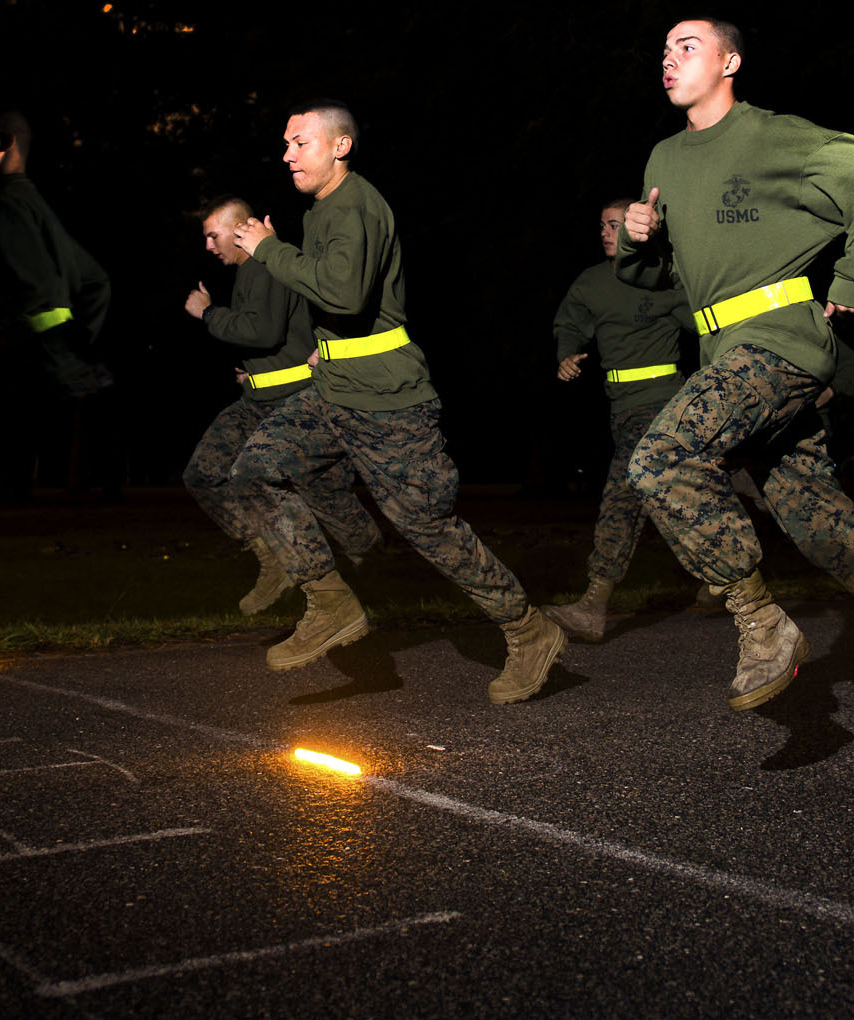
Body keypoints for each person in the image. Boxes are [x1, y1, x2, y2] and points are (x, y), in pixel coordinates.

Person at [618, 19, 854, 758]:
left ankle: (761, 623)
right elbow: (667, 273)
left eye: (687, 47)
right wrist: (640, 236)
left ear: (731, 61)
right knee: (821, 521)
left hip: (780, 343)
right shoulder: (666, 155)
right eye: (663, 50)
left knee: (660, 459)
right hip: (721, 350)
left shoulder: (775, 137)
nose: (669, 60)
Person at [225, 102, 565, 704]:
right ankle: (329, 603)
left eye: (298, 143)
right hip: (337, 391)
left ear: (340, 146)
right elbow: (345, 308)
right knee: (255, 471)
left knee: (428, 528)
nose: (286, 155)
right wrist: (325, 351)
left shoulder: (354, 205)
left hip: (389, 403)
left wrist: (268, 250)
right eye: (285, 144)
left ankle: (529, 630)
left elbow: (345, 292)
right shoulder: (326, 208)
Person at [181, 195, 381, 615]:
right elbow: (274, 337)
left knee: (314, 486)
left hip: (290, 401)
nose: (208, 246)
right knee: (204, 474)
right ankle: (275, 556)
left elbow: (262, 330)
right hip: (258, 397)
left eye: (212, 236)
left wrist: (207, 314)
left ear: (239, 230)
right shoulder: (248, 271)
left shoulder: (264, 266)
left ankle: (364, 558)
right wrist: (253, 371)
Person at [0, 113, 114, 499]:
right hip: (58, 358)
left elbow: (36, 290)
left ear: (5, 143)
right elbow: (97, 281)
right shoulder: (30, 199)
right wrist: (79, 349)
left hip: (29, 359)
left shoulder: (5, 204)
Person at [545, 200, 695, 641]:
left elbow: (707, 324)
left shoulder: (661, 275)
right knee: (674, 496)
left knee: (622, 494)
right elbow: (569, 324)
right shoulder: (591, 282)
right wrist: (566, 355)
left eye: (616, 225)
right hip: (622, 406)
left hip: (662, 402)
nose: (607, 233)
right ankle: (727, 578)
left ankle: (594, 604)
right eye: (603, 226)